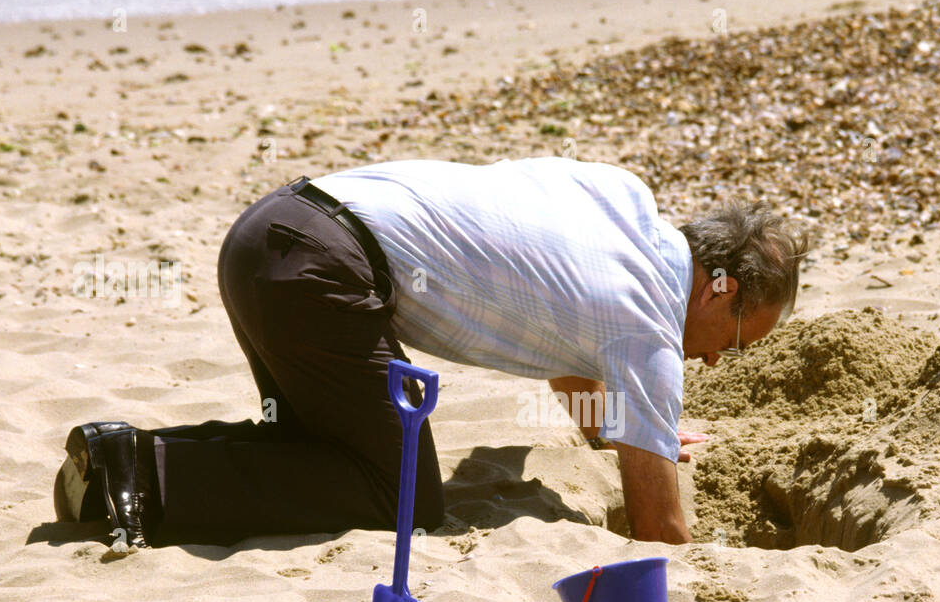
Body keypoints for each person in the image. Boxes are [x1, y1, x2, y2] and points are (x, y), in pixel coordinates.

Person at [52, 157, 808, 548]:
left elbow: (565, 330)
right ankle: (136, 477)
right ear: (717, 288)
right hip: (323, 269)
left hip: (271, 231)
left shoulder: (623, 200)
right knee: (401, 497)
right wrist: (654, 451)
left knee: (324, 449)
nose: (716, 362)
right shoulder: (648, 328)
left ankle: (117, 464)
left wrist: (623, 429)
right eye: (737, 343)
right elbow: (661, 534)